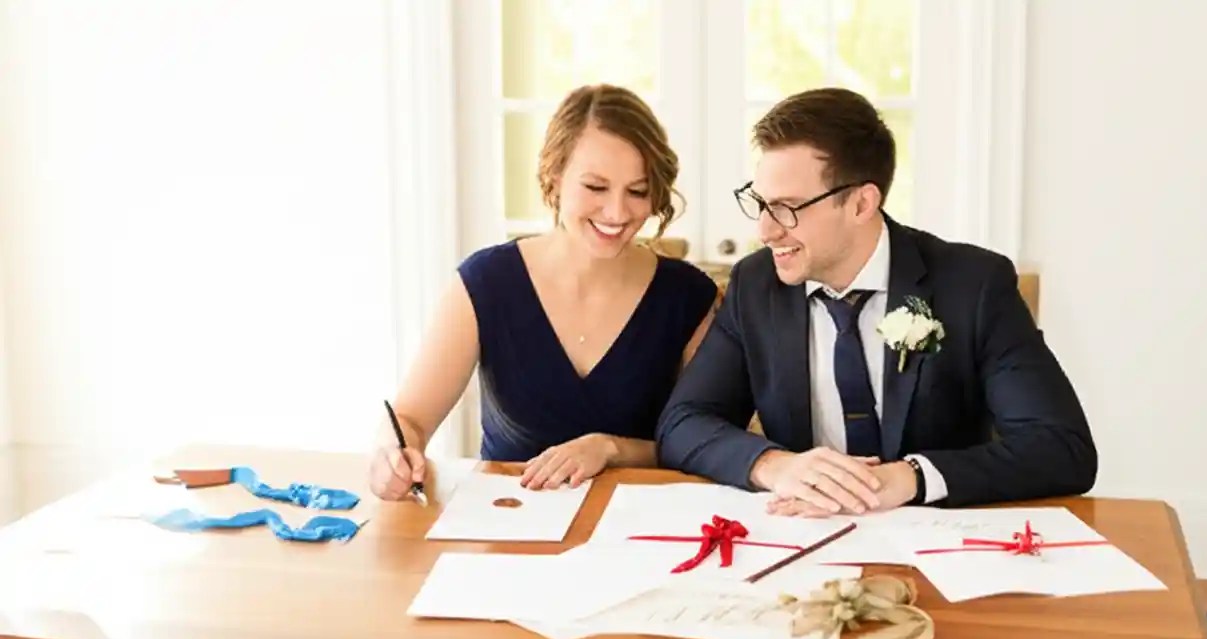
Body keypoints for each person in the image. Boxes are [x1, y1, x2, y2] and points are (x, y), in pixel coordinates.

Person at [655, 87, 1096, 516]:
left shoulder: (973, 285)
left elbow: (1062, 448)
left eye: (788, 208)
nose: (766, 232)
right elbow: (682, 423)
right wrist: (777, 466)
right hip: (801, 537)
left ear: (863, 203)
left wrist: (909, 478)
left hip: (938, 544)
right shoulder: (756, 285)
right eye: (761, 204)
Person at [371, 84, 718, 501]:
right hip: (509, 530)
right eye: (595, 187)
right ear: (555, 176)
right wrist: (392, 455)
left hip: (642, 537)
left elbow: (713, 445)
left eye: (638, 191)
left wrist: (610, 448)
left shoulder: (690, 297)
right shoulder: (486, 283)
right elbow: (410, 419)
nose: (617, 212)